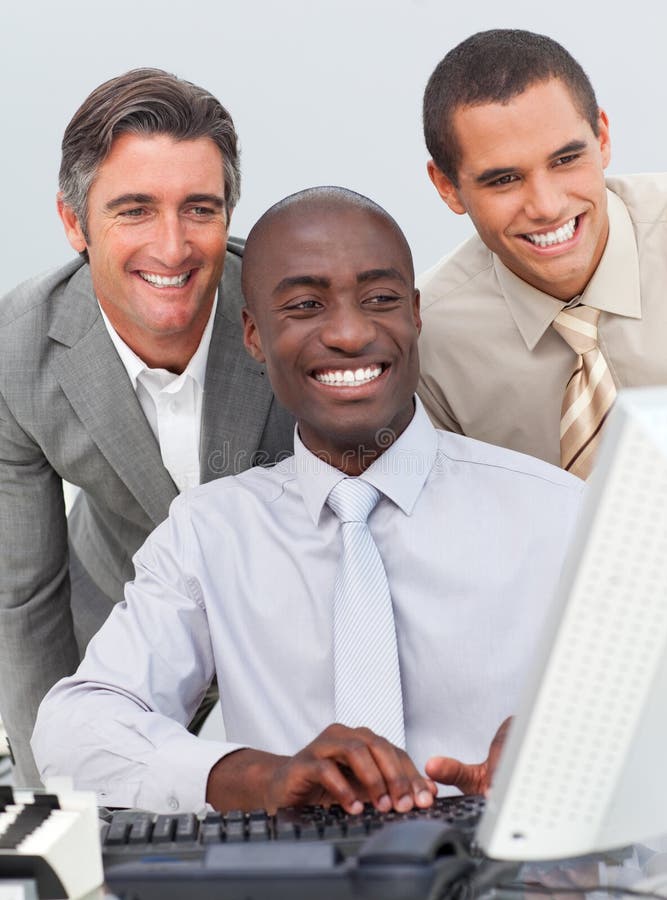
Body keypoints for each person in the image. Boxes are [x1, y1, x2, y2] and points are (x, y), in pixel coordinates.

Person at [33, 187, 583, 815]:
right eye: (304, 305)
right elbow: (72, 733)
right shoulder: (209, 535)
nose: (350, 333)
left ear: (416, 315)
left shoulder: (562, 516)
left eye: (380, 299)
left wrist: (575, 752)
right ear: (254, 336)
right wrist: (255, 778)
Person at [0, 68, 294, 788]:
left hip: (293, 617)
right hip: (120, 604)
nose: (172, 247)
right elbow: (23, 597)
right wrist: (58, 801)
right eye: (134, 209)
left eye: (199, 209)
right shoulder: (16, 351)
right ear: (75, 224)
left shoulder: (296, 312)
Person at [417, 29, 667, 479]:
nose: (548, 207)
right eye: (504, 180)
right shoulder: (429, 342)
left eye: (566, 160)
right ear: (447, 187)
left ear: (603, 137)